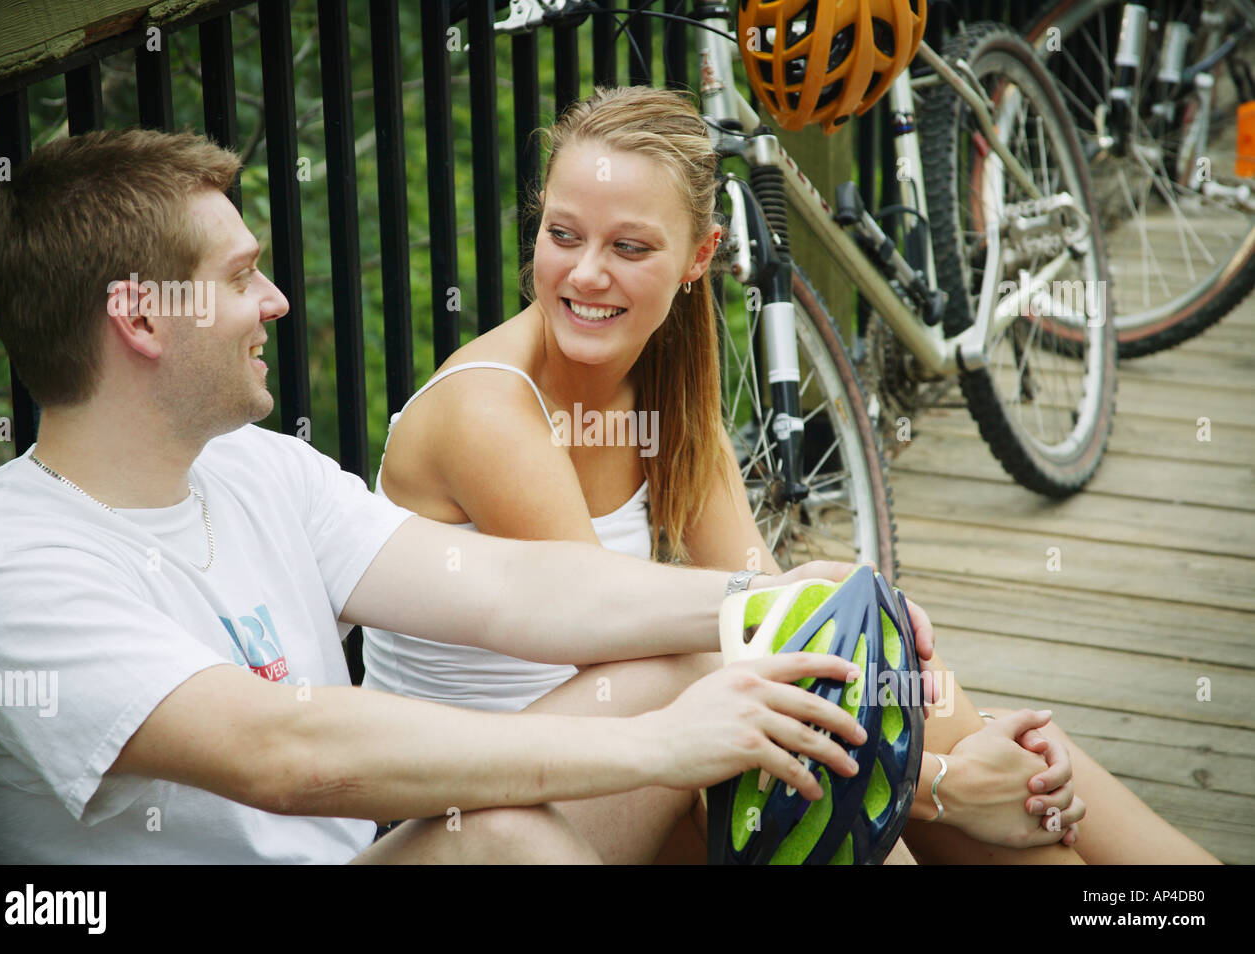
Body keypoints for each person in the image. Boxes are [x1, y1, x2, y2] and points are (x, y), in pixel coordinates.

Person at [0, 127, 890, 865]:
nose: (276, 301)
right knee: (504, 842)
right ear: (144, 318)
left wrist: (781, 599)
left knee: (706, 666)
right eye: (242, 277)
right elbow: (291, 754)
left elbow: (525, 590)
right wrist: (659, 750)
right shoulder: (8, 570)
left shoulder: (253, 468)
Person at [363, 85, 1220, 865]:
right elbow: (635, 640)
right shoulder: (486, 413)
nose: (585, 273)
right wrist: (945, 783)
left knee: (988, 743)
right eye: (562, 235)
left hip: (641, 766)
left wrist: (959, 757)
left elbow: (779, 617)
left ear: (700, 258)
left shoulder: (663, 388)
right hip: (490, 811)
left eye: (629, 246)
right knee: (889, 776)